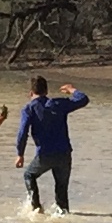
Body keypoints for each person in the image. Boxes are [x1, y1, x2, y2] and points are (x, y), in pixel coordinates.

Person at [12, 74, 88, 212]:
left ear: (30, 93)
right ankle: (63, 214)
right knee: (61, 188)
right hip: (64, 153)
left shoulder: (29, 109)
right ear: (46, 92)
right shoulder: (58, 104)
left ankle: (36, 208)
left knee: (29, 175)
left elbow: (22, 133)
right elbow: (83, 100)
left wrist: (20, 154)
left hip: (45, 154)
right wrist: (72, 90)